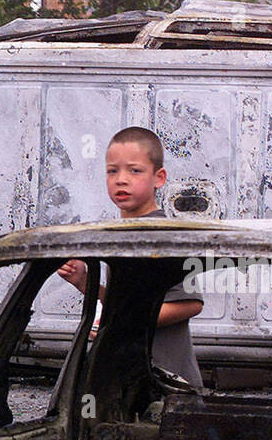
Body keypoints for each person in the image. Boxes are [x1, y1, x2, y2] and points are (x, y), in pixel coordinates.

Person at [56, 126, 203, 387]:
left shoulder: (165, 235)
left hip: (168, 386)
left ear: (159, 178)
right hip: (133, 382)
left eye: (134, 170)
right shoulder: (123, 234)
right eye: (113, 171)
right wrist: (85, 282)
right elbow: (127, 302)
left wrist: (119, 321)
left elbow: (190, 304)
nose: (121, 179)